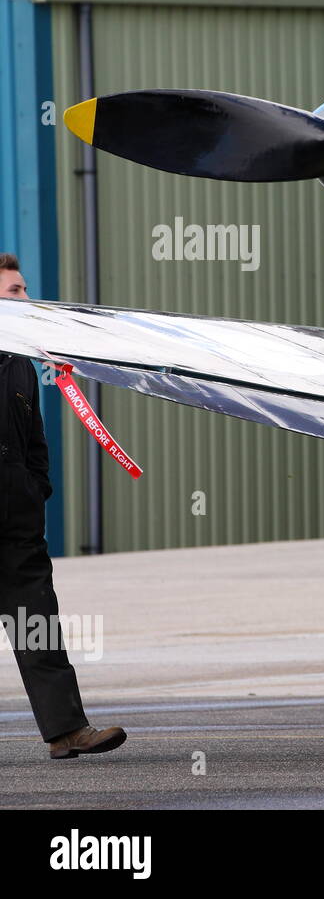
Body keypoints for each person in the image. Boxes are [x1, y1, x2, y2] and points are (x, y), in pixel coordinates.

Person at [0, 253, 126, 759]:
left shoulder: (20, 367)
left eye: (24, 290)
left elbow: (35, 445)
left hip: (15, 526)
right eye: (14, 292)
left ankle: (67, 731)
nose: (25, 299)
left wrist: (35, 493)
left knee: (39, 629)